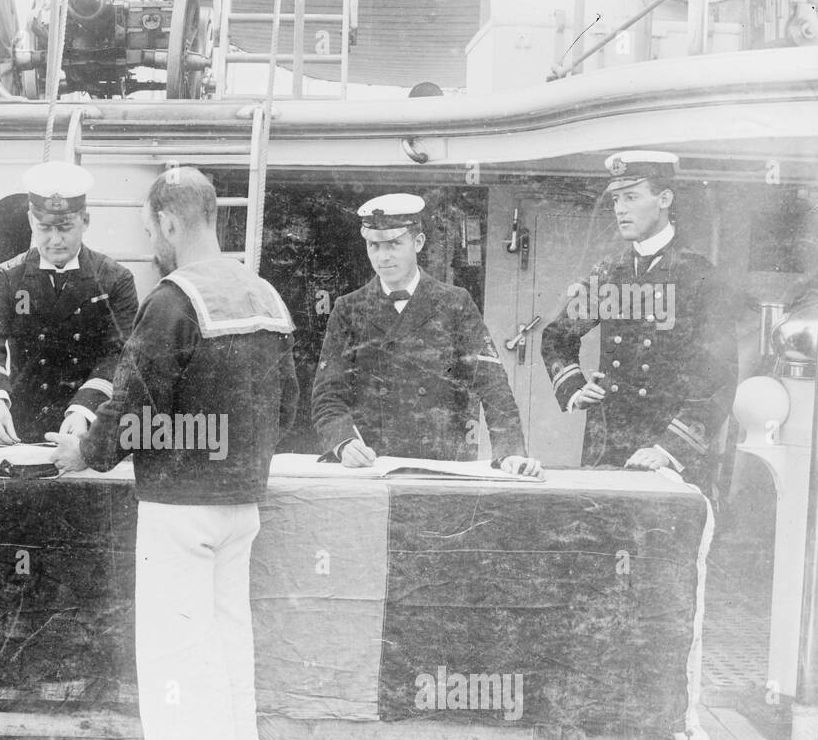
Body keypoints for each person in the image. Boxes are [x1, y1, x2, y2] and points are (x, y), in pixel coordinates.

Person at [49, 167, 298, 740]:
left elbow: (134, 401)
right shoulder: (265, 293)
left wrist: (86, 452)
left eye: (150, 229)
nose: (151, 242)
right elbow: (290, 405)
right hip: (242, 505)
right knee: (229, 649)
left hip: (178, 507)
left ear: (168, 223)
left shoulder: (173, 299)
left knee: (176, 660)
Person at [540, 151, 740, 494]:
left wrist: (666, 450)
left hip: (668, 455)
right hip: (607, 447)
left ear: (664, 199)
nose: (620, 208)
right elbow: (556, 336)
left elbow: (720, 377)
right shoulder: (609, 273)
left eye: (631, 197)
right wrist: (575, 388)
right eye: (616, 198)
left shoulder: (699, 275)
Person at [311, 193, 543, 476]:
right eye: (374, 245)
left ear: (418, 243)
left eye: (394, 244)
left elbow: (492, 384)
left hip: (441, 463)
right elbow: (327, 394)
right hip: (371, 465)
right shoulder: (348, 308)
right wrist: (343, 443)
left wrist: (510, 452)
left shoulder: (455, 302)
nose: (383, 256)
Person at [0, 161, 139, 444]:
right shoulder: (6, 279)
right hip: (22, 432)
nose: (55, 240)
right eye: (45, 228)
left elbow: (120, 355)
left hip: (91, 429)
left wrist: (85, 409)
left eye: (65, 227)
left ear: (86, 221)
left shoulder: (115, 280)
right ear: (32, 221)